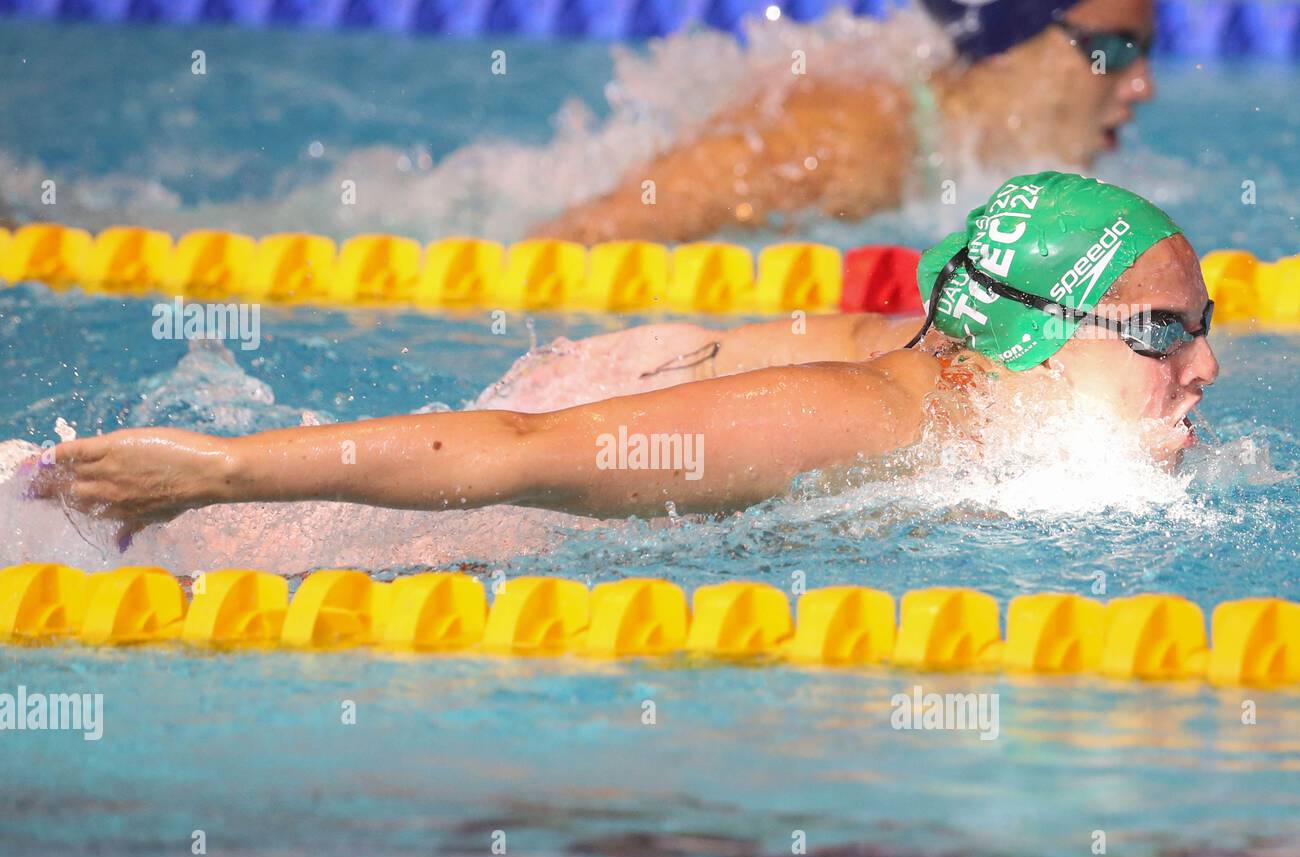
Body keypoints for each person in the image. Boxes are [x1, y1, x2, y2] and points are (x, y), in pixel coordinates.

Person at [27, 172, 1217, 546]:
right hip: (423, 503)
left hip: (624, 380)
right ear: (1036, 336)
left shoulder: (974, 374)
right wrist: (216, 473)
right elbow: (514, 453)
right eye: (1167, 333)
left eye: (1202, 325)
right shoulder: (871, 419)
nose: (1204, 364)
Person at [532, 0, 1156, 243]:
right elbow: (574, 243)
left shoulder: (958, 159)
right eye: (1117, 49)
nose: (1143, 86)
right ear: (1005, 46)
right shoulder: (848, 144)